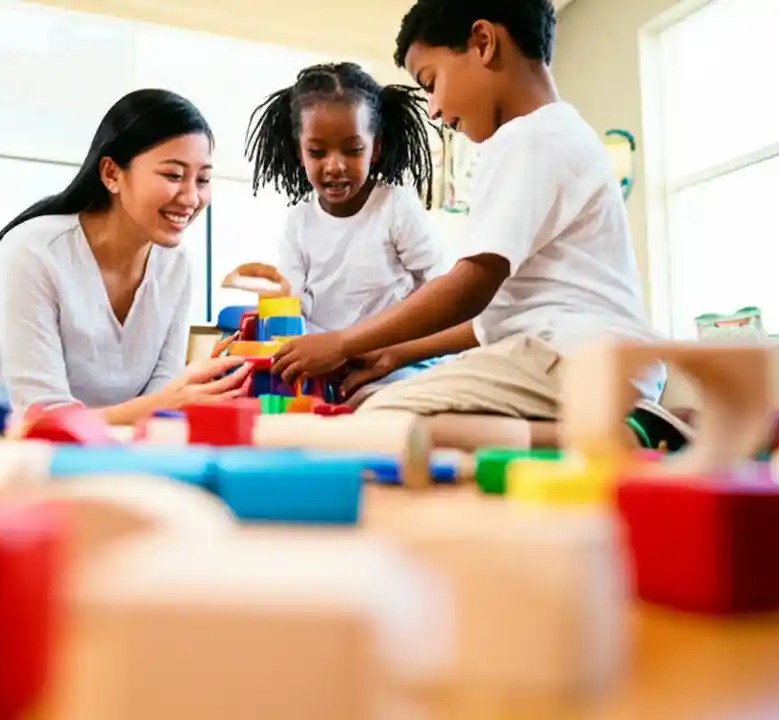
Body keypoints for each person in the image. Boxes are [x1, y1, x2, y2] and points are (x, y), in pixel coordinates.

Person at [270, 0, 677, 442]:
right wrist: (395, 354)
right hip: (588, 356)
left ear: (483, 42)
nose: (433, 109)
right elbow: (491, 316)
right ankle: (620, 429)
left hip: (574, 357)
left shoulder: (526, 138)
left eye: (431, 82)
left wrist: (344, 342)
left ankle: (630, 437)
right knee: (393, 412)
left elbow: (468, 288)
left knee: (377, 419)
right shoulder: (555, 134)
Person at [0, 89, 249, 421]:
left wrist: (180, 400)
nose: (192, 197)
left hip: (41, 429)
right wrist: (167, 404)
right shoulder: (33, 250)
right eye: (173, 175)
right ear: (112, 174)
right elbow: (42, 413)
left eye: (202, 179)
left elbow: (157, 400)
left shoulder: (177, 267)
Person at [232, 61, 446, 398]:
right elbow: (291, 302)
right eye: (317, 152)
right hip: (323, 371)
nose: (334, 166)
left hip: (391, 367)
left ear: (375, 149)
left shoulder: (394, 206)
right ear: (299, 153)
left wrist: (395, 348)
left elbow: (442, 285)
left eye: (353, 149)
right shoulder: (299, 221)